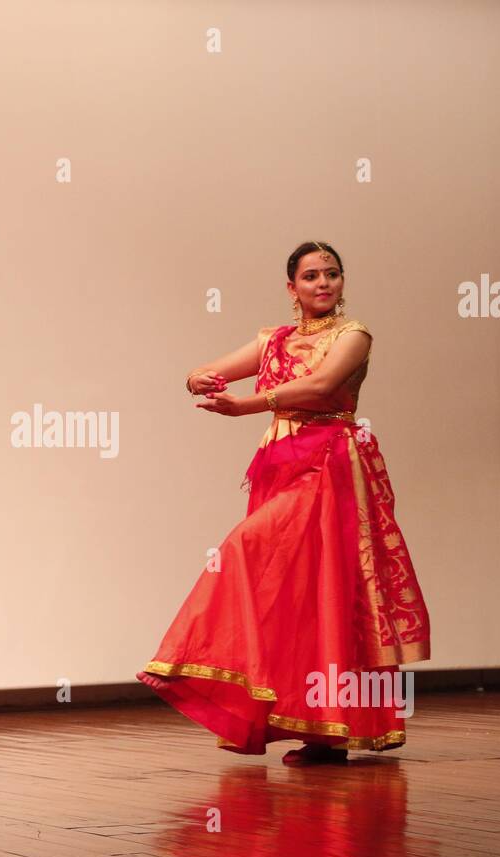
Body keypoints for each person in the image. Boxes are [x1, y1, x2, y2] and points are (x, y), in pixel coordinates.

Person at [137, 241, 430, 764]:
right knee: (298, 592)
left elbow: (320, 385)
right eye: (312, 276)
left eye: (332, 274)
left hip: (331, 467)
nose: (324, 284)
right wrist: (195, 379)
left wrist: (246, 404)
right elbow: (209, 369)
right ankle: (315, 729)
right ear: (291, 287)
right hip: (283, 465)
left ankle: (329, 726)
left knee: (314, 580)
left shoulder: (353, 335)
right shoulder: (274, 339)